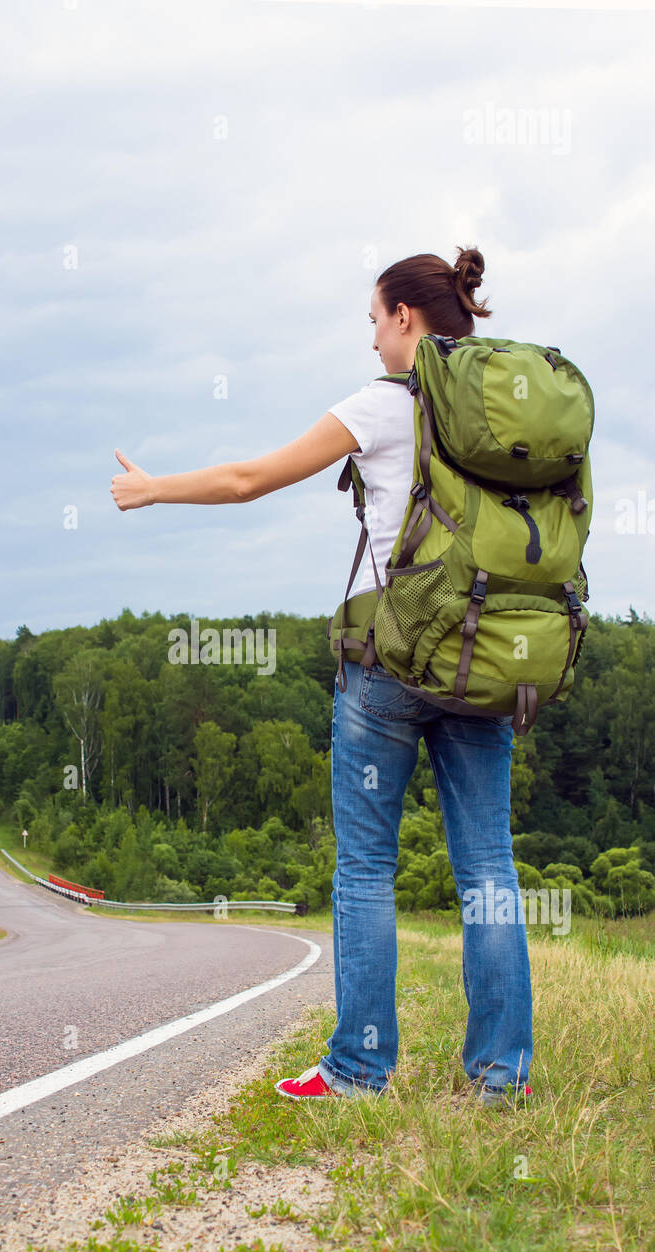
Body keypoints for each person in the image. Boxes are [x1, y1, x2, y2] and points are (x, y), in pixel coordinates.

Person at [111, 245, 533, 1111]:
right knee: (488, 865)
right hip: (484, 656)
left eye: (374, 322)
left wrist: (155, 490)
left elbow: (248, 478)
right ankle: (499, 1079)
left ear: (406, 319)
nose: (372, 341)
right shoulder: (505, 408)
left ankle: (359, 1072)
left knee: (368, 869)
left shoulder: (384, 404)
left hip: (390, 662)